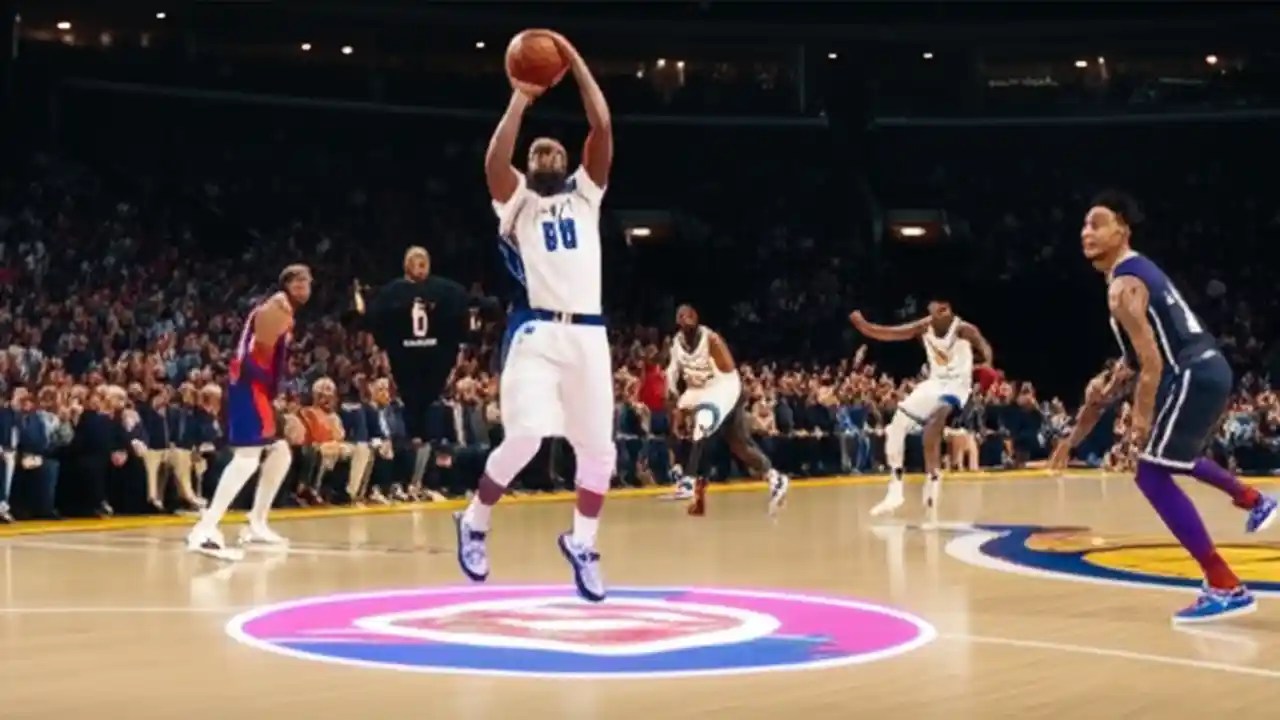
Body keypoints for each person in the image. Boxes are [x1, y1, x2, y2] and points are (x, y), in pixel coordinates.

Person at [1049, 190, 1277, 623]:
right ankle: (1253, 500)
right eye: (1082, 225)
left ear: (1123, 230)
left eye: (1097, 223)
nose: (1086, 232)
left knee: (1151, 473)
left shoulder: (1124, 285)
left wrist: (1139, 425)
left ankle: (1225, 584)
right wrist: (1071, 440)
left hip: (1189, 372)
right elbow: (1125, 372)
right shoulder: (1133, 274)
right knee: (1177, 458)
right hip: (1207, 370)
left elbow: (1151, 363)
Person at [454, 31, 615, 603]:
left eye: (554, 151)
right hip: (536, 330)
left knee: (600, 453)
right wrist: (521, 97)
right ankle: (475, 520)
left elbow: (601, 125)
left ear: (567, 163)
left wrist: (574, 61)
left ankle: (584, 544)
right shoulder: (516, 201)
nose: (546, 154)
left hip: (590, 333)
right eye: (538, 152)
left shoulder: (586, 195)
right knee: (525, 435)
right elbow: (495, 158)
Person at [186, 264, 310, 561]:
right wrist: (264, 391)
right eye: (298, 281)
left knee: (280, 452)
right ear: (286, 284)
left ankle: (256, 522)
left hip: (259, 390)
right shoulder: (275, 310)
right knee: (246, 459)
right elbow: (254, 357)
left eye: (308, 282)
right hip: (248, 387)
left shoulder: (282, 311)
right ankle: (204, 528)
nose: (305, 286)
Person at [849, 301, 993, 520]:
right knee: (896, 426)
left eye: (946, 308)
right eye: (938, 308)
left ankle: (933, 480)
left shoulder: (964, 329)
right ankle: (895, 490)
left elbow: (985, 349)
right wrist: (865, 327)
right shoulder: (924, 327)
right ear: (931, 310)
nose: (943, 311)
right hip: (934, 383)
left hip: (957, 386)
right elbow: (891, 334)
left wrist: (983, 366)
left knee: (933, 427)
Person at [666, 304, 789, 516]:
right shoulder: (677, 343)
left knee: (703, 422)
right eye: (681, 316)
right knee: (738, 445)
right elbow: (672, 372)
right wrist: (674, 393)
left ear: (697, 318)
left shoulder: (711, 339)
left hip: (724, 386)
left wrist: (705, 397)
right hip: (700, 389)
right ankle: (775, 478)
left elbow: (729, 372)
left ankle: (688, 481)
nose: (685, 319)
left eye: (689, 315)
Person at [354, 246, 480, 447]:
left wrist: (460, 350)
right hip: (404, 360)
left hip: (437, 359)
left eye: (424, 263)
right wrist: (382, 352)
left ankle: (433, 452)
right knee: (408, 408)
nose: (420, 268)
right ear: (406, 266)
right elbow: (378, 324)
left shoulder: (447, 291)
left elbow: (463, 318)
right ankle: (411, 450)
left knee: (434, 408)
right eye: (415, 263)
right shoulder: (391, 292)